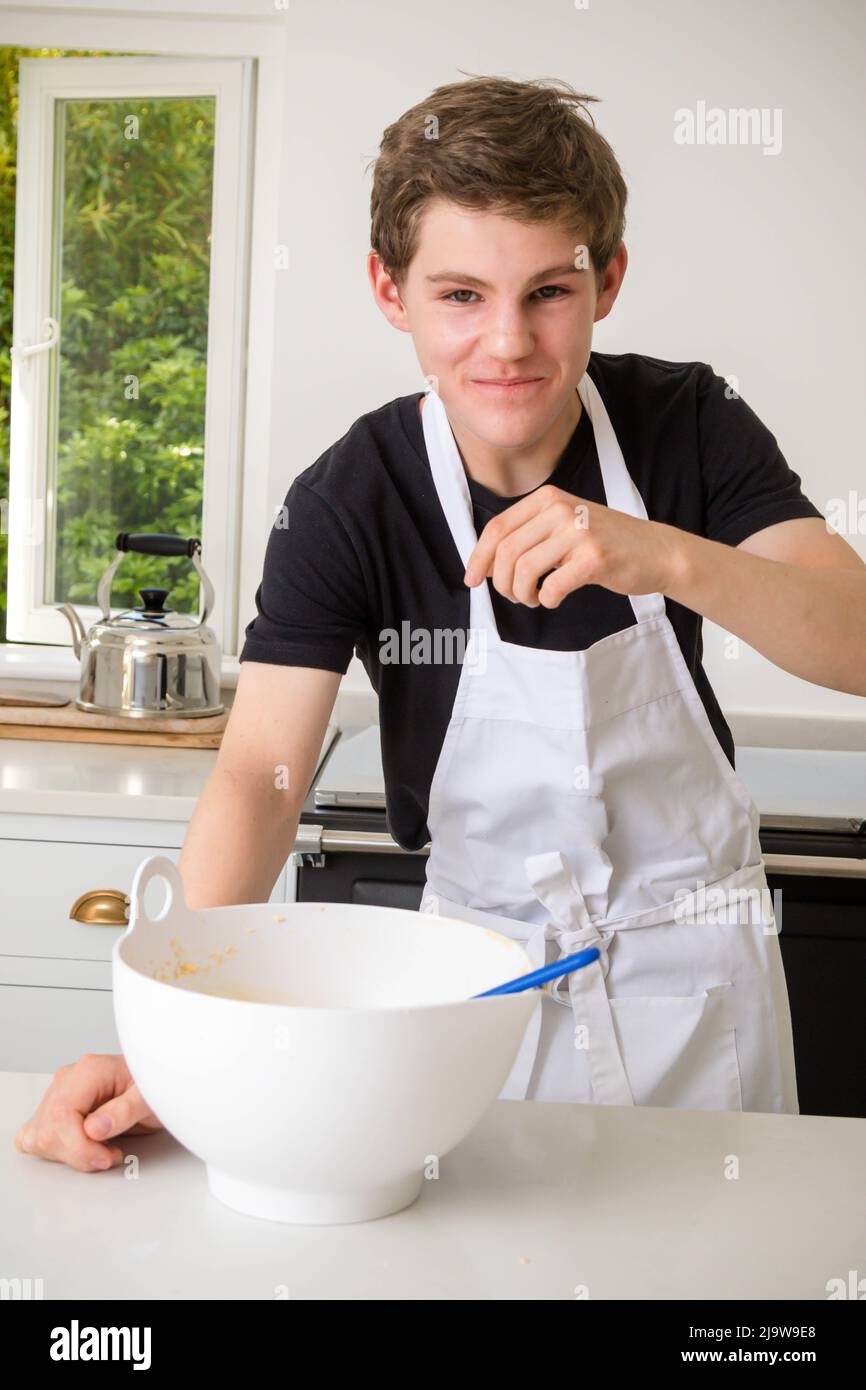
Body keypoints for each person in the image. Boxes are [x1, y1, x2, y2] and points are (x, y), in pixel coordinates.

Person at [16, 76, 866, 1170]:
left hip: (700, 989)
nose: (506, 343)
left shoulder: (687, 423)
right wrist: (166, 1037)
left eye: (546, 292)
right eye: (460, 294)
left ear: (605, 280)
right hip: (471, 997)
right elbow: (261, 774)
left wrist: (657, 550)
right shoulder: (349, 499)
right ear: (390, 289)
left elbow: (852, 637)